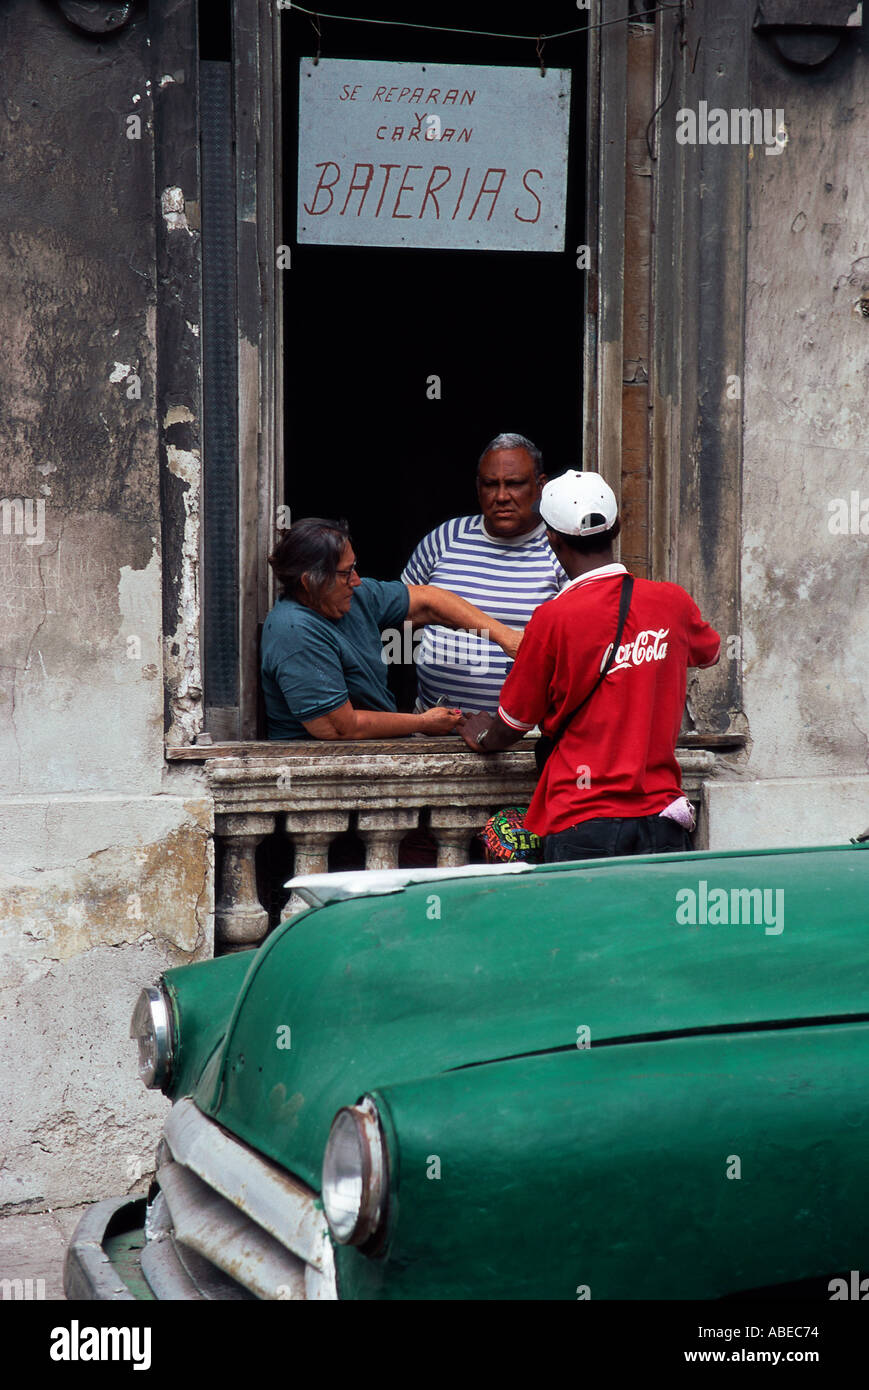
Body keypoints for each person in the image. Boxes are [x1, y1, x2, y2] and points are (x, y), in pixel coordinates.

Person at [458, 470, 721, 860]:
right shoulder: (672, 601)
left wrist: (482, 735)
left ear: (551, 537)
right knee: (653, 922)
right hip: (663, 818)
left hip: (581, 819)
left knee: (584, 923)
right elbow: (710, 653)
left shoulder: (551, 619)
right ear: (615, 527)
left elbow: (514, 724)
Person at [262, 516, 523, 740]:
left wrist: (506, 637)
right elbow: (340, 728)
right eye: (345, 573)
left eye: (354, 568)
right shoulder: (294, 630)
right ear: (309, 582)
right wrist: (424, 723)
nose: (356, 580)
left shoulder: (354, 597)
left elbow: (429, 601)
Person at [401, 432, 566, 714]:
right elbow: (398, 617)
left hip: (525, 740)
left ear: (541, 486)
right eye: (491, 485)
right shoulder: (445, 538)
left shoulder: (560, 550)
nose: (501, 496)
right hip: (432, 733)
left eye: (514, 484)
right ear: (478, 487)